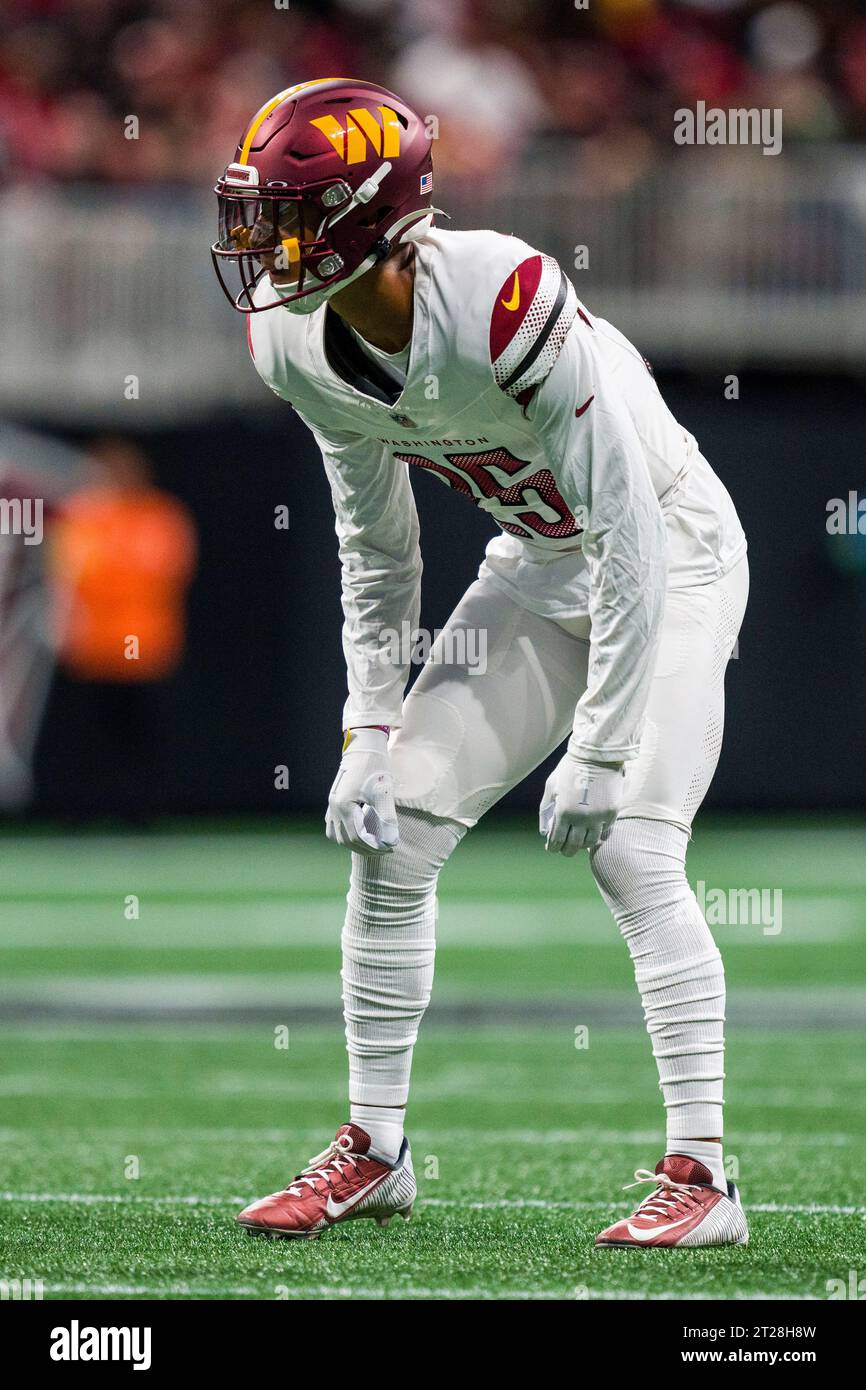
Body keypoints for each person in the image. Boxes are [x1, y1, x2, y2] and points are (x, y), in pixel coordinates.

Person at [212, 79, 749, 1248]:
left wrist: (600, 747)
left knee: (629, 847)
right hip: (538, 564)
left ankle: (704, 1177)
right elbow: (375, 547)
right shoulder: (292, 337)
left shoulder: (502, 297)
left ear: (371, 219)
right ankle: (377, 1148)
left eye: (289, 213)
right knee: (395, 821)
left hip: (671, 551)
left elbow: (628, 529)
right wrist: (368, 727)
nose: (260, 242)